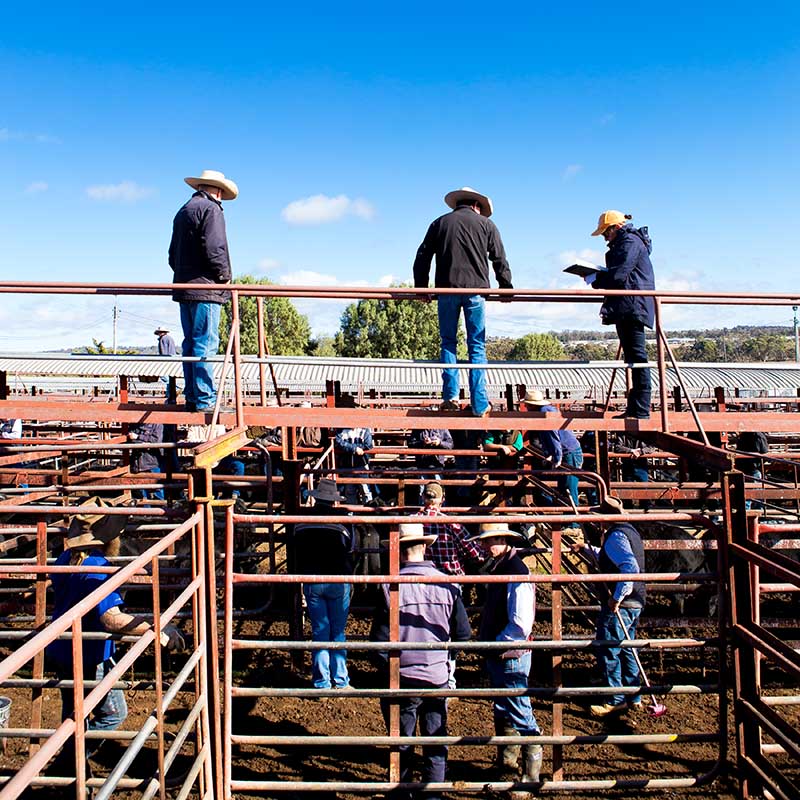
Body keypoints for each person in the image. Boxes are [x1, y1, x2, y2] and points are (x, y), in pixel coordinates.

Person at [47, 499, 183, 765]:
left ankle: (71, 764)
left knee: (75, 714)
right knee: (113, 714)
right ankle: (71, 759)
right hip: (89, 653)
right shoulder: (98, 570)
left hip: (63, 648)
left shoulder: (67, 558)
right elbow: (110, 618)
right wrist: (157, 629)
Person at [371, 523, 471, 799]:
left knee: (402, 739)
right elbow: (463, 633)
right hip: (437, 675)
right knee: (435, 737)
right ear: (425, 547)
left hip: (401, 676)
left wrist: (389, 668)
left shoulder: (390, 587)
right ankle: (433, 794)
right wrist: (446, 659)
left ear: (400, 551)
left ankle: (402, 791)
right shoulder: (447, 584)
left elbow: (377, 641)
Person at [413, 187, 513, 418]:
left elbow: (422, 256)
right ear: (477, 206)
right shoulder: (487, 225)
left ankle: (450, 398)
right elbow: (499, 258)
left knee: (448, 342)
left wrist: (421, 287)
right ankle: (479, 403)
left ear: (459, 203)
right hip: (475, 291)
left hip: (446, 290)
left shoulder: (439, 223)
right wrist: (506, 287)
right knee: (476, 345)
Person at [468, 522, 542, 785]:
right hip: (504, 651)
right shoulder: (506, 566)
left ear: (503, 539)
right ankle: (509, 765)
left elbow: (521, 622)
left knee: (518, 708)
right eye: (485, 541)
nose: (485, 546)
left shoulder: (514, 570)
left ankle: (530, 776)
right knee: (505, 707)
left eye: (490, 541)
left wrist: (499, 642)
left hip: (509, 651)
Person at [169, 169, 238, 412]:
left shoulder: (183, 211)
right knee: (206, 343)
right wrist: (224, 277)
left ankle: (193, 397)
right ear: (219, 191)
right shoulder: (212, 210)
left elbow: (171, 256)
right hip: (206, 290)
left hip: (184, 288)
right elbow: (215, 248)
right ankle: (206, 400)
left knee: (190, 344)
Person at [571, 495, 646, 717]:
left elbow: (629, 567)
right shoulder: (629, 533)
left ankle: (615, 698)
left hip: (622, 603)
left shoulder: (615, 537)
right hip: (636, 600)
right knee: (627, 647)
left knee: (609, 647)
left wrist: (616, 596)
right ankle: (634, 696)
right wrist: (587, 548)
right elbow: (612, 558)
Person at [586, 210, 655, 419]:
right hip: (629, 305)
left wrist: (595, 279)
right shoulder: (627, 242)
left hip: (633, 306)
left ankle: (641, 409)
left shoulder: (629, 242)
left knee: (638, 357)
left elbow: (618, 275)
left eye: (606, 233)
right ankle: (636, 408)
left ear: (616, 227)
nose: (605, 238)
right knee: (633, 357)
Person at [421, 481, 484, 688]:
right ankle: (448, 677)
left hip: (421, 583)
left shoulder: (413, 521)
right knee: (451, 629)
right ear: (442, 499)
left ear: (423, 498)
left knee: (423, 627)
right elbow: (474, 551)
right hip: (449, 583)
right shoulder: (451, 523)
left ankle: (424, 670)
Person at [293, 479, 354, 689]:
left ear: (316, 497)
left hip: (312, 578)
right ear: (333, 501)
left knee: (319, 629)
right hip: (337, 578)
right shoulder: (343, 519)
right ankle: (340, 679)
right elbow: (350, 548)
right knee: (337, 630)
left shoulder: (302, 519)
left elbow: (295, 547)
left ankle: (322, 680)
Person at [521, 390, 584, 512]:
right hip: (568, 451)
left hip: (568, 452)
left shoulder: (545, 412)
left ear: (532, 405)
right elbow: (547, 436)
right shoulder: (545, 411)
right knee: (564, 488)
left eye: (528, 405)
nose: (527, 407)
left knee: (569, 488)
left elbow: (552, 435)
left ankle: (574, 524)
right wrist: (549, 453)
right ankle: (570, 522)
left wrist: (556, 456)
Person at [335, 425, 380, 504]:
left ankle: (367, 512)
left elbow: (368, 445)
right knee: (349, 491)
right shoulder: (342, 429)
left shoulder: (364, 430)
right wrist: (355, 449)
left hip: (361, 464)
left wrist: (349, 447)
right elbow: (338, 442)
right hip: (348, 464)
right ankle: (351, 513)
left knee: (365, 489)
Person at [408, 428, 453, 501]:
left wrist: (439, 443)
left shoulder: (442, 428)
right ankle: (423, 508)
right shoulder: (417, 429)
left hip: (437, 464)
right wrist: (423, 442)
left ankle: (439, 508)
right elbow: (410, 443)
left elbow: (450, 444)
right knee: (422, 490)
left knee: (438, 489)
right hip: (422, 464)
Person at [128, 422, 165, 501]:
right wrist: (145, 442)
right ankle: (147, 511)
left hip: (152, 462)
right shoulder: (135, 424)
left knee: (157, 489)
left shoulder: (157, 424)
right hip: (139, 462)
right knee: (142, 492)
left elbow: (156, 440)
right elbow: (131, 439)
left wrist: (138, 437)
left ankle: (159, 510)